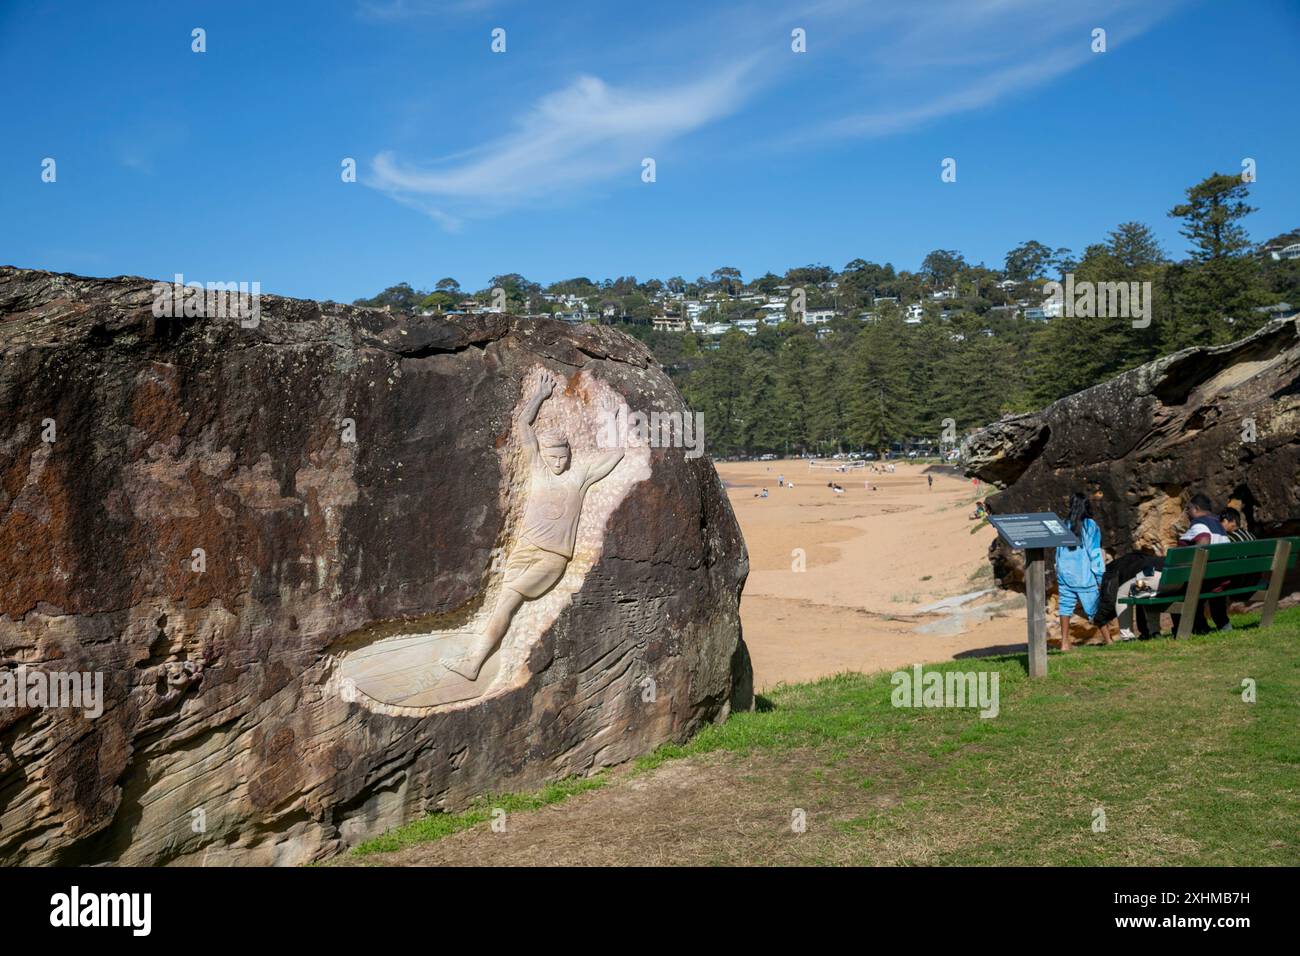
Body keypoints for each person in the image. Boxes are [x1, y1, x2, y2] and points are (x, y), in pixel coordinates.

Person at [444, 371, 626, 680]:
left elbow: (616, 455)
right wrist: (539, 396)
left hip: (551, 559)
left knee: (507, 603)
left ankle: (473, 665)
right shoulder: (538, 469)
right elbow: (523, 426)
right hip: (524, 549)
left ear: (570, 457)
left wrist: (614, 423)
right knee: (502, 604)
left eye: (563, 457)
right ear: (545, 454)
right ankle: (479, 658)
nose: (559, 463)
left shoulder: (578, 479)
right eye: (554, 457)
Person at [1055, 492, 1112, 650]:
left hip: (1065, 573)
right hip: (1084, 576)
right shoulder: (1090, 525)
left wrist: (1059, 571)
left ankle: (1065, 643)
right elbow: (1094, 553)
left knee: (1065, 606)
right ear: (1087, 506)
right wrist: (1100, 577)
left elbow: (1058, 552)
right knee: (1094, 608)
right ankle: (1109, 640)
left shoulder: (1063, 524)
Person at [1200, 507, 1256, 631]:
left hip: (1237, 584)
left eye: (1221, 523)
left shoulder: (1228, 540)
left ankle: (1222, 625)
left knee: (1214, 586)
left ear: (1228, 521)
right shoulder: (1251, 536)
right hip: (1253, 581)